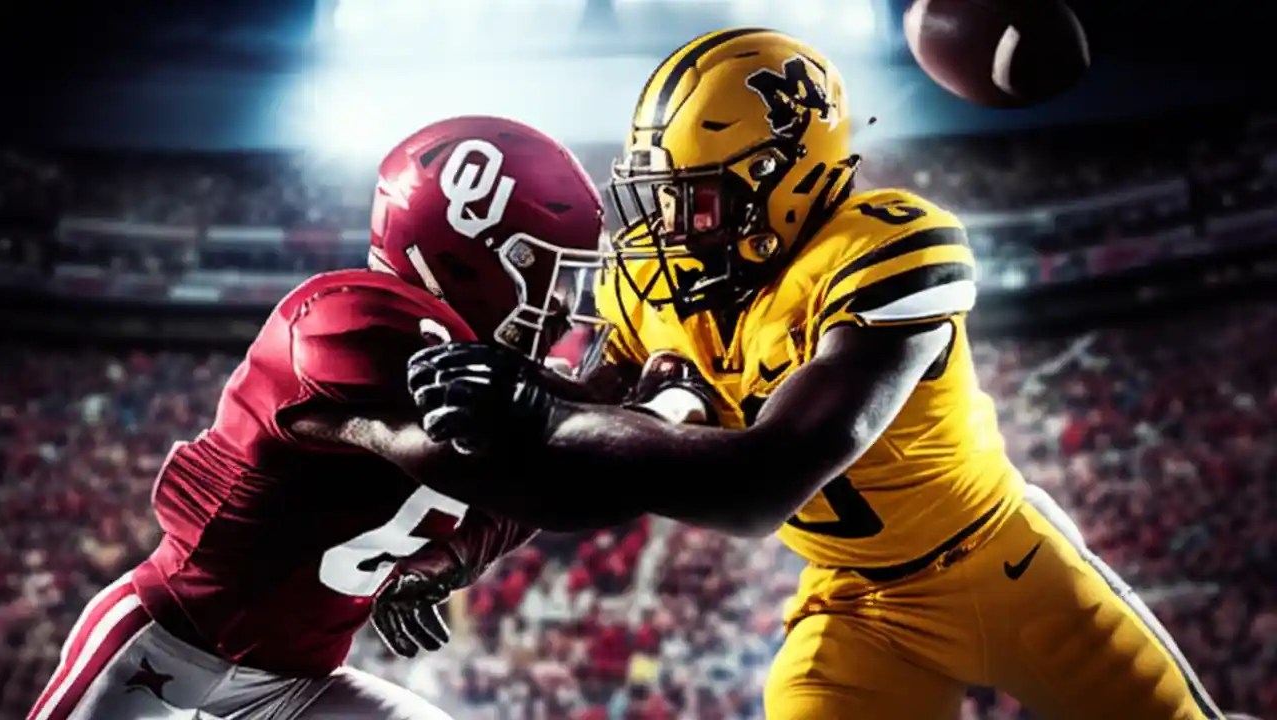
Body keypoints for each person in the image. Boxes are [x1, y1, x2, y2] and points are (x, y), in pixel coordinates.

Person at [406, 30, 1229, 720]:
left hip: (1006, 565)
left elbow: (762, 482)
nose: (666, 231)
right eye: (656, 201)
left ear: (785, 183)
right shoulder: (649, 285)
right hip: (860, 604)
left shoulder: (885, 248)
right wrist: (475, 522)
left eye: (694, 202)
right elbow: (585, 454)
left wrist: (544, 415)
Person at [27, 115, 611, 720]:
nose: (563, 309)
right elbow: (490, 464)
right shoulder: (345, 314)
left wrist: (449, 557)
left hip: (295, 684)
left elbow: (518, 497)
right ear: (472, 254)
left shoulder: (462, 375)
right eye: (546, 270)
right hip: (164, 649)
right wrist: (608, 398)